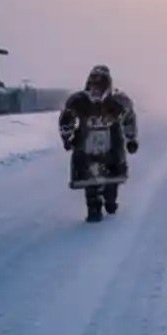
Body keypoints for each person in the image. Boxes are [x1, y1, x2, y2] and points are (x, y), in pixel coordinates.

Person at [58, 65, 138, 223]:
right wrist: (67, 137)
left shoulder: (118, 100)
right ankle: (93, 205)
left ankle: (110, 197)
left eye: (100, 84)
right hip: (85, 142)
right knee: (85, 170)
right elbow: (66, 119)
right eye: (93, 83)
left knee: (115, 168)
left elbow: (128, 119)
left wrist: (131, 139)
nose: (96, 88)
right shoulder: (78, 101)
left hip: (112, 143)